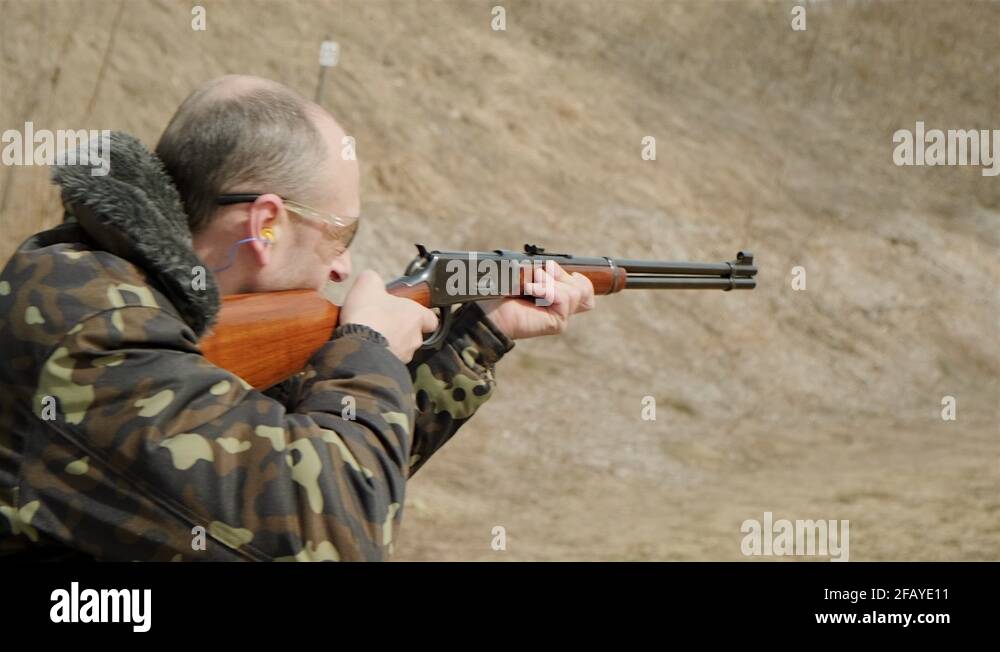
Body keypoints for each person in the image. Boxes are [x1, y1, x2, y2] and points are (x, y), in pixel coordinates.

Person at [0, 75, 594, 561]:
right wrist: (369, 350)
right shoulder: (93, 332)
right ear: (264, 224)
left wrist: (479, 336)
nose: (345, 268)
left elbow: (303, 459)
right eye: (342, 235)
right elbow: (337, 529)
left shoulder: (122, 299)